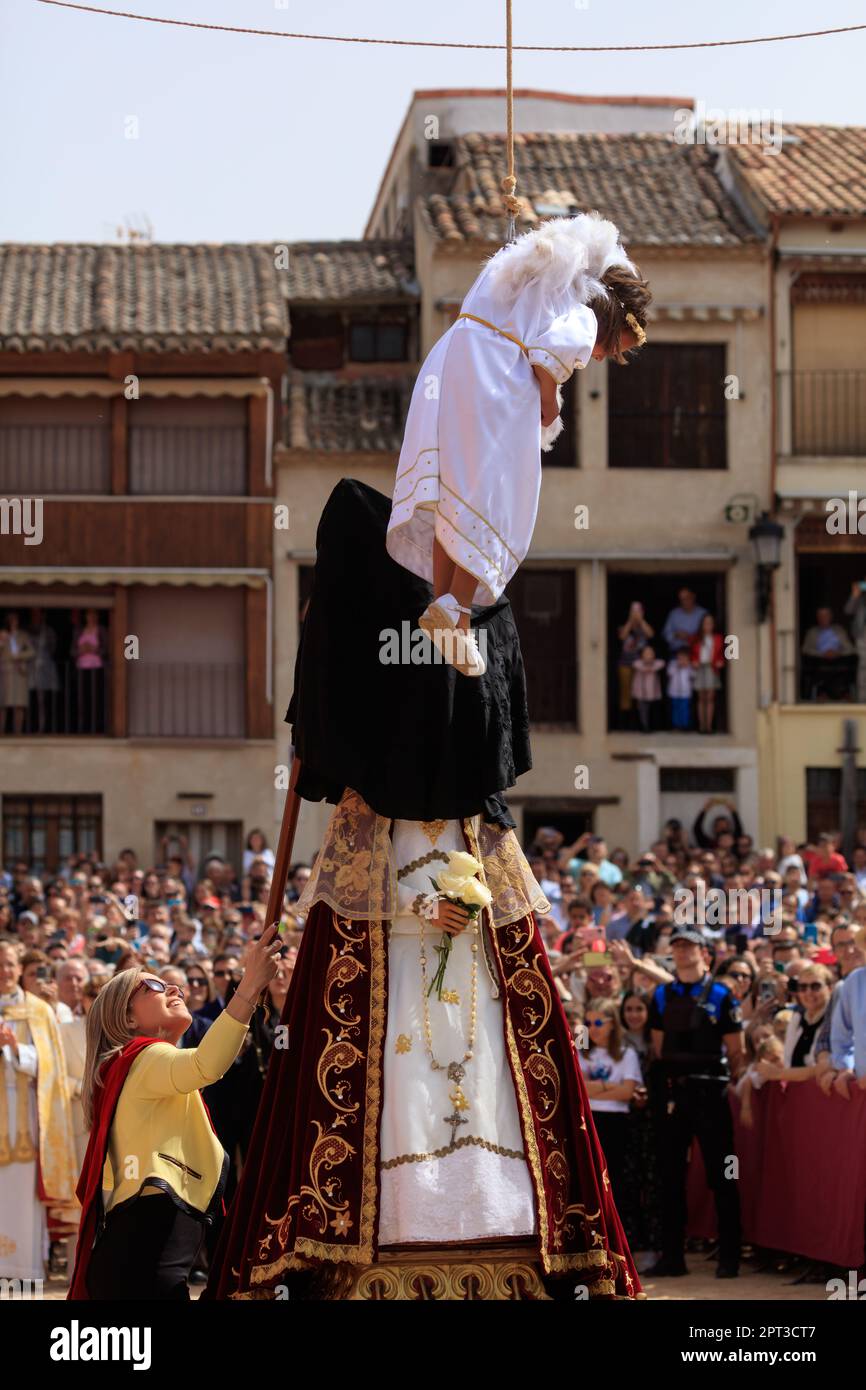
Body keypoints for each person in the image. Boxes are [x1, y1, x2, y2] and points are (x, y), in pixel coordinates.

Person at [386, 211, 650, 677]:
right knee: (497, 495)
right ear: (613, 320)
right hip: (497, 378)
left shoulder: (525, 282)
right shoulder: (584, 310)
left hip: (451, 361)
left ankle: (449, 607)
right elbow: (550, 357)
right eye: (615, 348)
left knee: (453, 489)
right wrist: (550, 403)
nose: (605, 356)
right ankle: (456, 607)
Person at [68, 925, 282, 1300]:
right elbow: (207, 1064)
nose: (172, 988)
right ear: (129, 1020)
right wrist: (248, 987)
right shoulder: (144, 1056)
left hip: (136, 1249)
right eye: (152, 986)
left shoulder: (136, 1064)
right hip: (145, 1243)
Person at [647, 927, 744, 1279]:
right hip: (675, 1094)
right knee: (670, 1177)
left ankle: (729, 1256)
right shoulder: (660, 994)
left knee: (723, 1175)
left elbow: (736, 1050)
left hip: (711, 1093)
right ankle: (672, 1257)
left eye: (688, 945)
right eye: (676, 945)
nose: (682, 951)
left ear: (705, 952)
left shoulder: (722, 994)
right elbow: (658, 1046)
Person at [0, 938, 78, 1283]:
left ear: (19, 969)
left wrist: (18, 1051)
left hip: (27, 1116)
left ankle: (22, 1276)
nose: (4, 971)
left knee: (22, 1198)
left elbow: (51, 1068)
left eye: (10, 965)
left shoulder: (39, 1011)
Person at [578, 999, 641, 1204]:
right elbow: (580, 1089)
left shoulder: (627, 1053)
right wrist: (610, 1086)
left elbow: (627, 1093)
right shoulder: (582, 1051)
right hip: (589, 1119)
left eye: (598, 1023)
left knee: (614, 1180)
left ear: (612, 1023)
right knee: (588, 1177)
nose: (591, 1029)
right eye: (587, 1023)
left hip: (616, 1122)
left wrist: (595, 1088)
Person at [801, 607, 855, 700]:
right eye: (820, 616)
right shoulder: (812, 632)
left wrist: (838, 653)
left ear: (830, 617)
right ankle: (822, 693)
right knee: (820, 668)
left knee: (845, 667)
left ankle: (843, 693)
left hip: (839, 663)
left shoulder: (839, 631)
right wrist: (822, 654)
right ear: (817, 618)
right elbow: (805, 649)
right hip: (819, 663)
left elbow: (851, 649)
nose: (823, 618)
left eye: (826, 616)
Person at [617, 602, 655, 716]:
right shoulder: (623, 625)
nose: (635, 614)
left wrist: (641, 621)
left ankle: (640, 720)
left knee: (640, 693)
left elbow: (651, 634)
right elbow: (622, 636)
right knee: (626, 692)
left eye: (638, 611)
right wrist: (630, 621)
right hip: (625, 664)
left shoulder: (644, 626)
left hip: (641, 666)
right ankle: (625, 720)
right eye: (633, 611)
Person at [0, 612, 35, 735]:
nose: (13, 622)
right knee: (2, 704)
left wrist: (19, 656)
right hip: (5, 672)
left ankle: (18, 733)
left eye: (15, 620)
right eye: (11, 620)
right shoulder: (2, 634)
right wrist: (2, 642)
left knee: (19, 704)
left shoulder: (23, 635)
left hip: (19, 671)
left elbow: (31, 651)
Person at [690, 613, 725, 734]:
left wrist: (721, 661)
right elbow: (692, 653)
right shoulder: (696, 638)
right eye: (705, 623)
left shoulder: (718, 638)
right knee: (701, 698)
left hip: (711, 667)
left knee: (710, 697)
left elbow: (723, 654)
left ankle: (709, 726)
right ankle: (701, 726)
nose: (708, 626)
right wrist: (693, 661)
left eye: (710, 623)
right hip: (700, 668)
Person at [662, 588, 707, 655]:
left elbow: (708, 635)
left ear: (693, 596)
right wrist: (675, 635)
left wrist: (690, 637)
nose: (685, 602)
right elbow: (665, 633)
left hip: (697, 653)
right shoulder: (674, 614)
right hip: (676, 654)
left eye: (687, 598)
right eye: (682, 599)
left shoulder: (703, 614)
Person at [631, 645, 665, 732]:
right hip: (641, 692)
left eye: (650, 653)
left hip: (652, 693)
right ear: (642, 654)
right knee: (642, 710)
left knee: (652, 710)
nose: (648, 655)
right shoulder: (638, 662)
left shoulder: (656, 663)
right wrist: (646, 667)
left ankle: (652, 726)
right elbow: (637, 665)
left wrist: (651, 666)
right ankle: (644, 726)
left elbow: (662, 663)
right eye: (646, 653)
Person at [667, 648, 694, 730]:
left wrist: (687, 666)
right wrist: (677, 666)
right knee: (675, 709)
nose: (682, 659)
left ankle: (684, 725)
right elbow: (669, 673)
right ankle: (676, 725)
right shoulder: (673, 664)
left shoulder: (689, 665)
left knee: (685, 709)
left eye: (684, 657)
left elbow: (693, 675)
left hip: (685, 692)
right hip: (674, 692)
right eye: (680, 657)